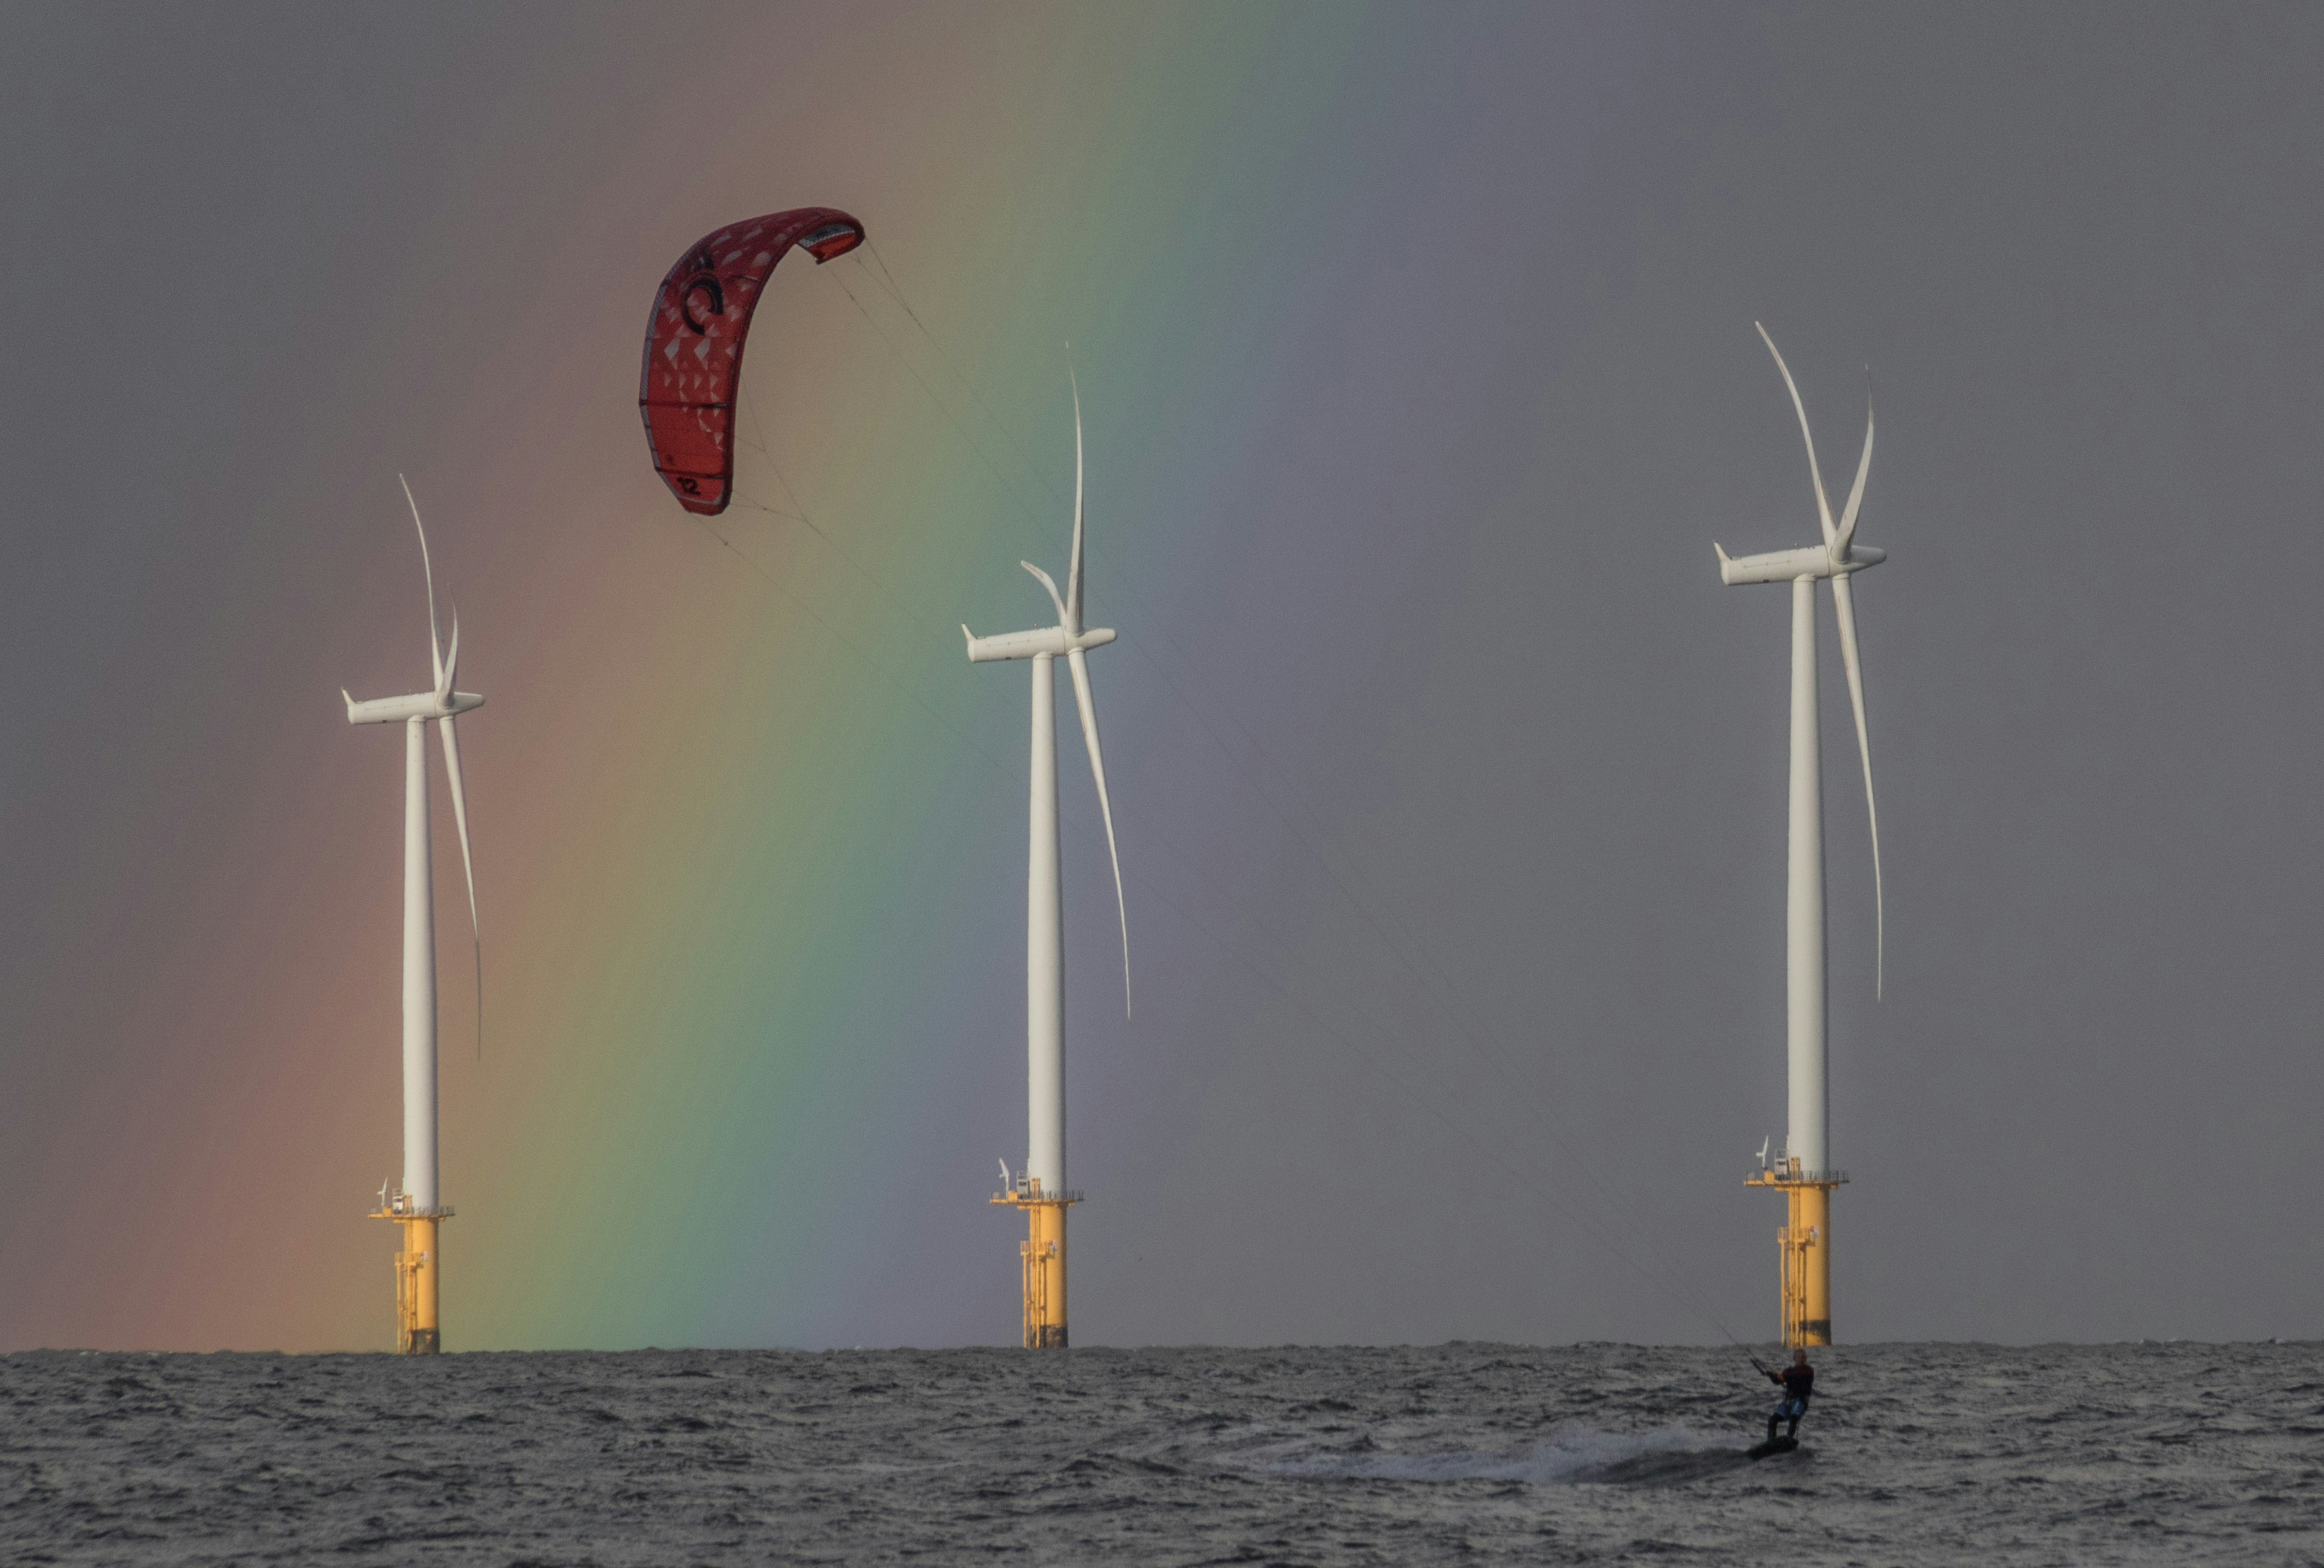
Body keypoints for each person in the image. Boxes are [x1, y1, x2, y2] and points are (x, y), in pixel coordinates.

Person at [1764, 1348, 1814, 1441]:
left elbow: (1798, 1377)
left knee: (1794, 1417)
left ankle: (1789, 1439)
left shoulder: (1808, 1370)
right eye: (1798, 1357)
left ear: (1806, 1359)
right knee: (1772, 1420)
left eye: (1803, 1357)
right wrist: (1772, 1376)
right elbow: (1779, 1381)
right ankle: (1771, 1441)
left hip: (1801, 1401)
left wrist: (1784, 1377)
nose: (1801, 1359)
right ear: (1794, 1358)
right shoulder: (1789, 1371)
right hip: (1788, 1402)